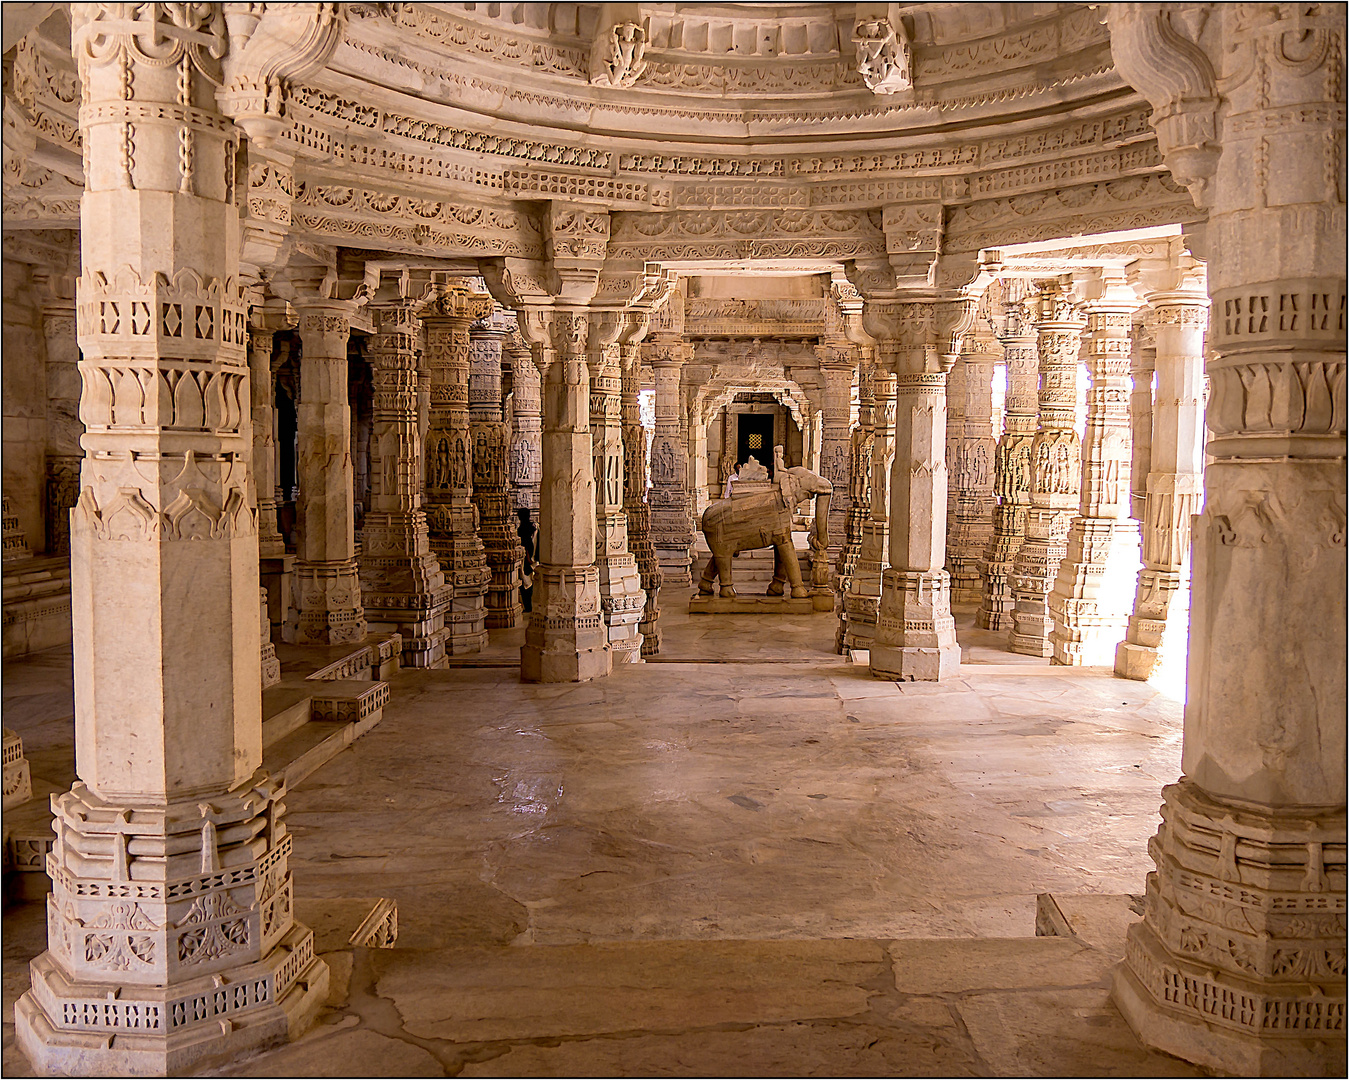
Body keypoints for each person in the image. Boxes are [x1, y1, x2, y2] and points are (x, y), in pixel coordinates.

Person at [516, 507, 538, 612]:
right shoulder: (533, 527)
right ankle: (530, 606)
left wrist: (528, 557)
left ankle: (528, 606)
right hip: (532, 558)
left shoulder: (522, 529)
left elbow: (526, 544)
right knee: (529, 582)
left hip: (525, 559)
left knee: (525, 583)